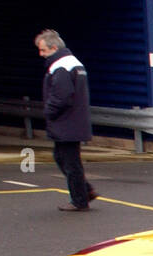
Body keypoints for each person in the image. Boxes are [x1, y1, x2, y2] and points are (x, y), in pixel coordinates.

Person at [36, 29, 97, 212]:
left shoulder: (61, 66)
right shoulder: (73, 63)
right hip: (73, 122)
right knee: (64, 158)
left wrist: (48, 112)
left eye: (43, 50)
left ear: (54, 47)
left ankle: (80, 199)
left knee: (69, 162)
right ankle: (85, 192)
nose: (41, 54)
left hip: (67, 123)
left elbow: (61, 96)